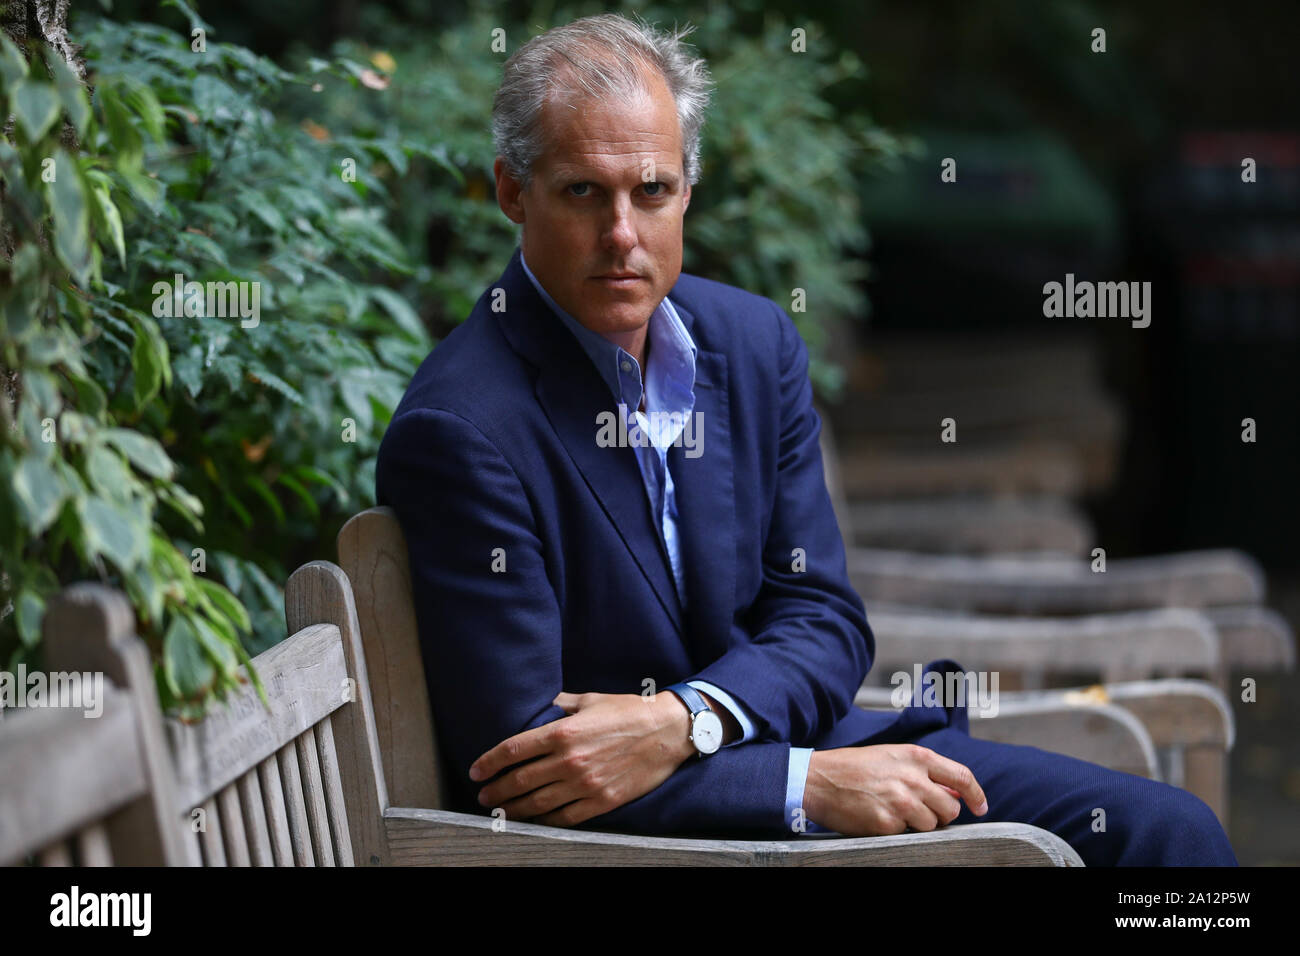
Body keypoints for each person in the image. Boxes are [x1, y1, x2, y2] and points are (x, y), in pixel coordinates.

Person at [375, 13, 1236, 865]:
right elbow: (526, 770)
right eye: (582, 193)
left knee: (1168, 835)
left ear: (688, 189)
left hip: (804, 747)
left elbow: (822, 619)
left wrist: (691, 719)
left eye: (653, 191)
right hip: (655, 840)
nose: (623, 234)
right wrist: (804, 789)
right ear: (512, 192)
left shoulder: (750, 344)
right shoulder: (459, 430)